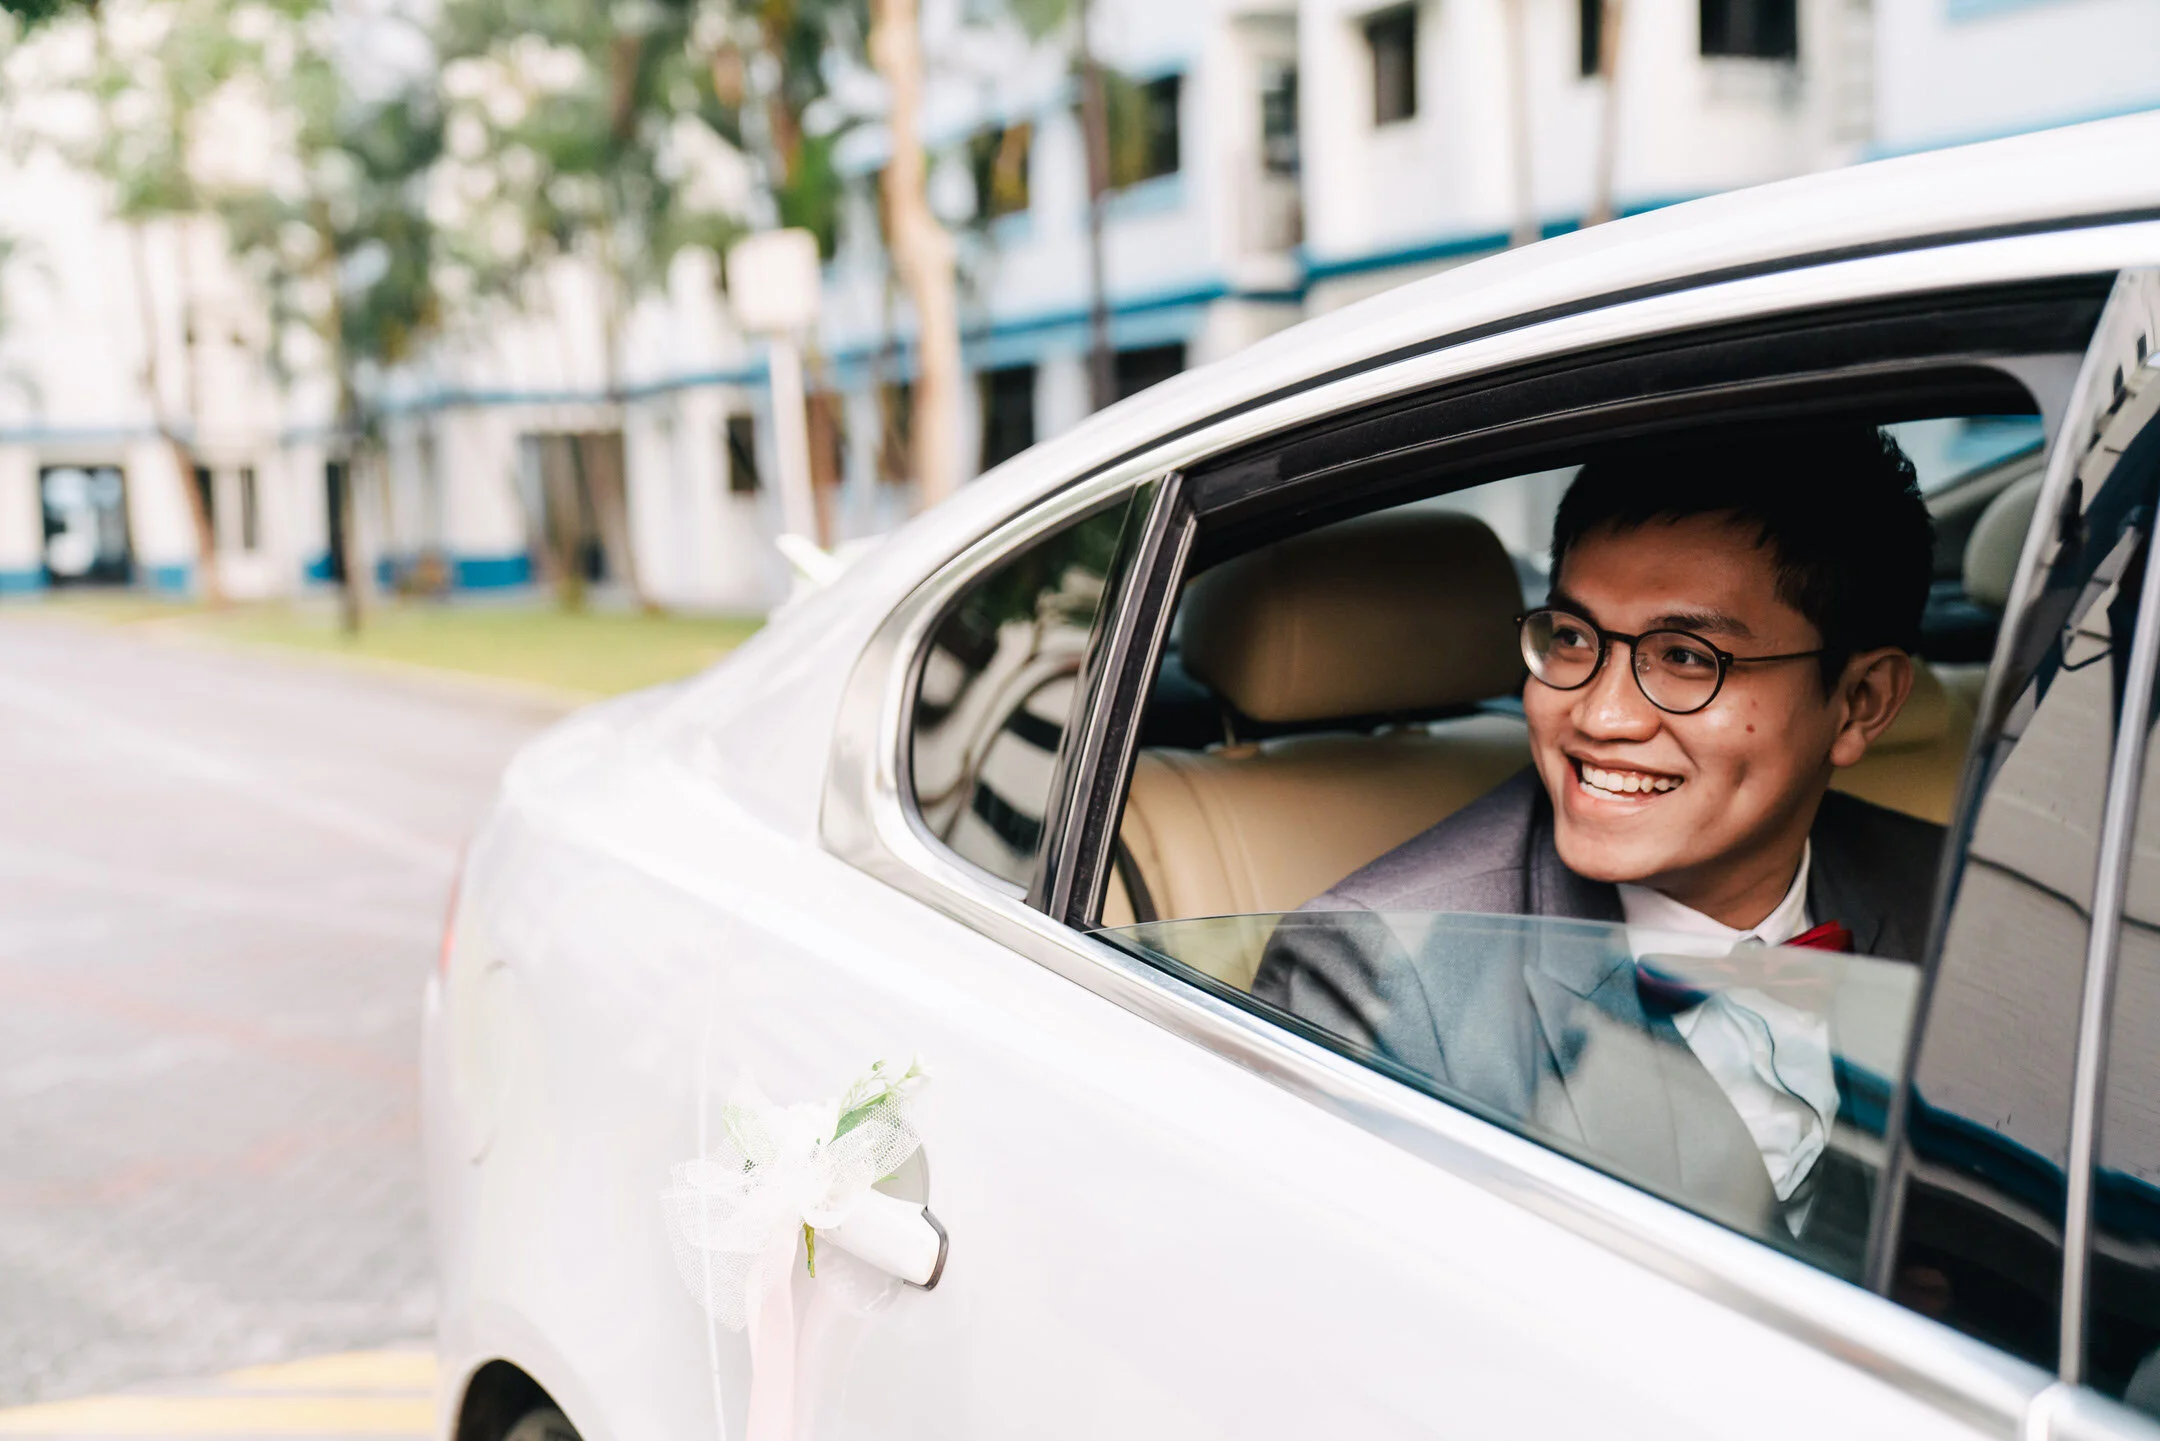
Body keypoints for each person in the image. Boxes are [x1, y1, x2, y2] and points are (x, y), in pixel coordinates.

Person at [1250, 423, 1941, 1266]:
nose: (1600, 716)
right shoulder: (1382, 974)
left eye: (1687, 657)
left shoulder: (1962, 902)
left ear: (1863, 701)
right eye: (1573, 638)